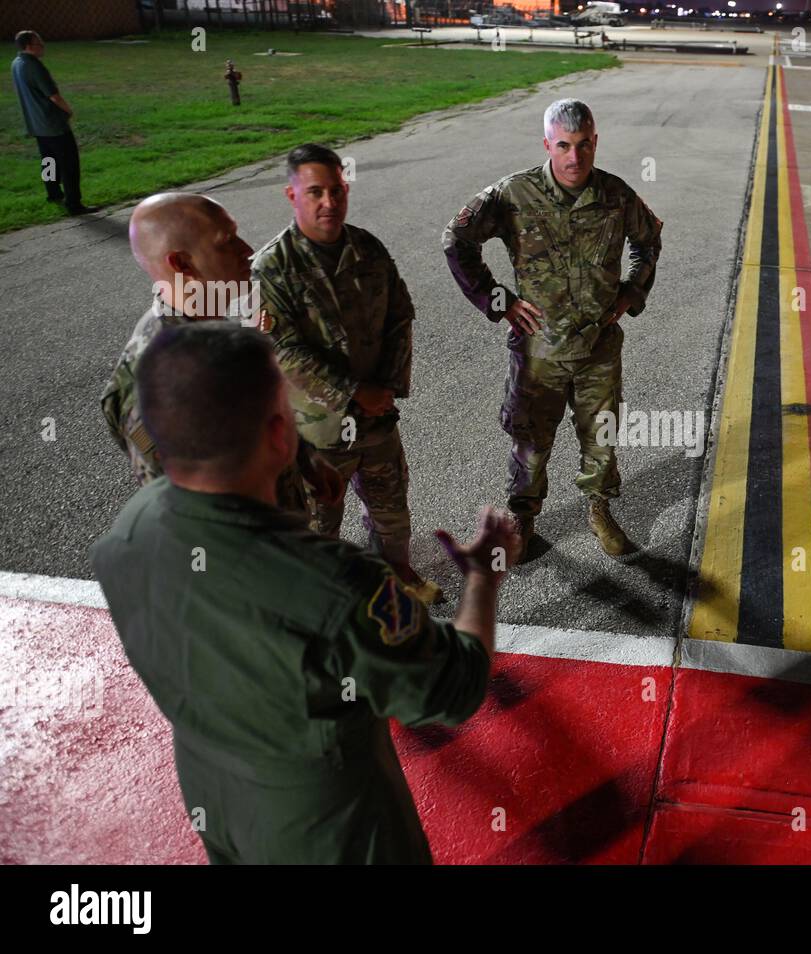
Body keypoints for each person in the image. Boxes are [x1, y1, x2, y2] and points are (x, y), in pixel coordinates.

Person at [90, 322, 520, 864]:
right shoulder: (335, 584)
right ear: (279, 435)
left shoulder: (125, 538)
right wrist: (482, 577)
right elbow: (455, 689)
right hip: (330, 835)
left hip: (217, 803)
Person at [442, 98, 663, 557]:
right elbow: (457, 239)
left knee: (600, 436)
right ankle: (523, 518)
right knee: (531, 442)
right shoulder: (513, 195)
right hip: (538, 351)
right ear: (547, 144)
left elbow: (649, 240)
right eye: (564, 145)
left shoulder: (617, 196)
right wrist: (497, 300)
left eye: (584, 145)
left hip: (598, 347)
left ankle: (599, 511)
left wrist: (631, 291)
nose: (575, 157)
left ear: (595, 142)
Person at [252, 143, 439, 602]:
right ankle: (322, 601)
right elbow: (283, 352)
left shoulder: (368, 249)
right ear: (292, 195)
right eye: (315, 192)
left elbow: (400, 315)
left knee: (391, 510)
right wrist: (357, 392)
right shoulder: (272, 268)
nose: (329, 203)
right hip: (316, 433)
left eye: (337, 190)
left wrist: (389, 387)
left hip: (377, 419)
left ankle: (396, 577)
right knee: (318, 524)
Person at [102, 192, 341, 512]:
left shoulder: (224, 319)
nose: (247, 250)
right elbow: (189, 516)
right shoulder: (155, 381)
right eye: (226, 241)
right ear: (182, 263)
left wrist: (306, 461)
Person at [10, 31, 93, 215]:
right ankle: (74, 204)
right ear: (29, 46)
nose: (43, 47)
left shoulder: (16, 63)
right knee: (69, 164)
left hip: (36, 124)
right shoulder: (34, 66)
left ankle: (53, 192)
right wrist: (68, 111)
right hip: (52, 124)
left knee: (48, 160)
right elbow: (53, 95)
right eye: (40, 43)